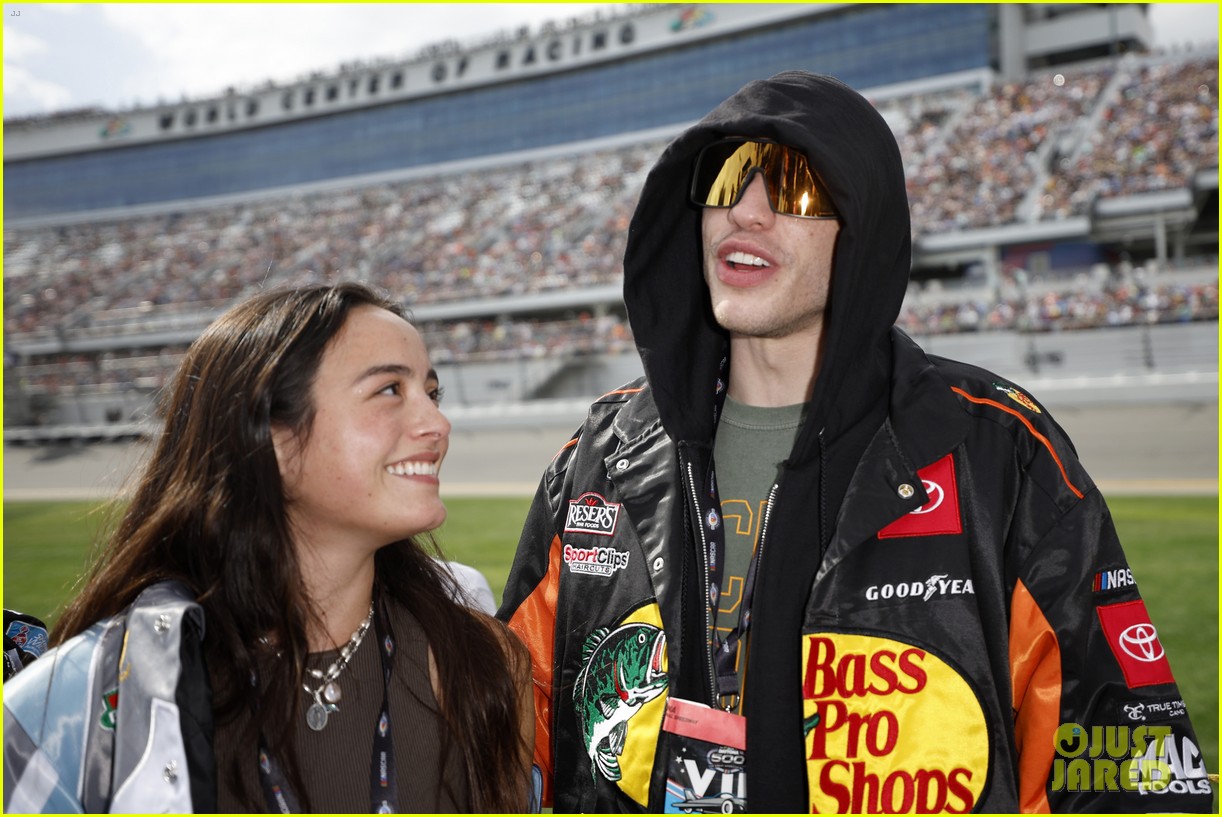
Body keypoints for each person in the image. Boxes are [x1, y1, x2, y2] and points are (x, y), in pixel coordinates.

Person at [497, 71, 1213, 812]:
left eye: (796, 188)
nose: (747, 211)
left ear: (862, 231)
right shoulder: (599, 459)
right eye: (727, 177)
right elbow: (502, 747)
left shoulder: (1000, 452)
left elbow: (1127, 768)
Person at [4, 282, 534, 813]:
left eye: (431, 393)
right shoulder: (94, 699)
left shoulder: (486, 665)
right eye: (390, 390)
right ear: (270, 436)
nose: (437, 424)